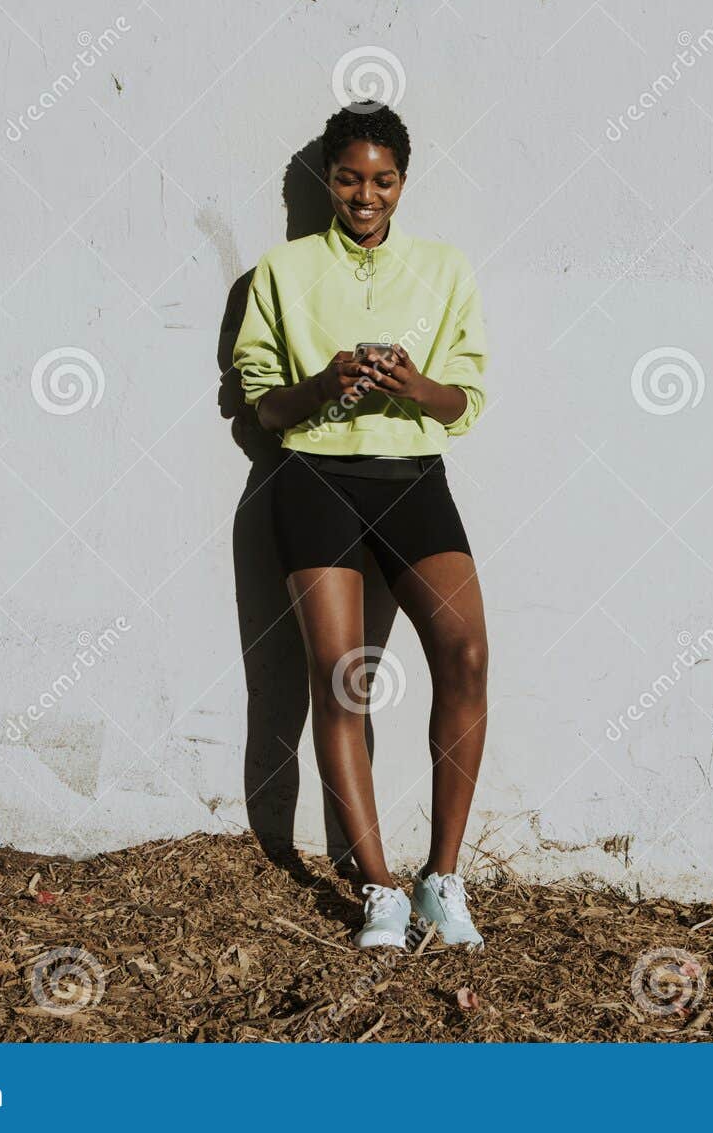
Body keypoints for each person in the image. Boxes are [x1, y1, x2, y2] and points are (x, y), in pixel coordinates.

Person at [232, 102, 490, 950]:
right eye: (349, 179)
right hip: (312, 478)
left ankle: (440, 879)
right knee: (342, 675)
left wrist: (412, 385)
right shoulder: (282, 270)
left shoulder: (445, 267)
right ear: (328, 181)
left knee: (465, 655)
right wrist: (326, 383)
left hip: (412, 476)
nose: (366, 196)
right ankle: (378, 887)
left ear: (403, 182)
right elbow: (263, 406)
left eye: (383, 180)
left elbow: (464, 402)